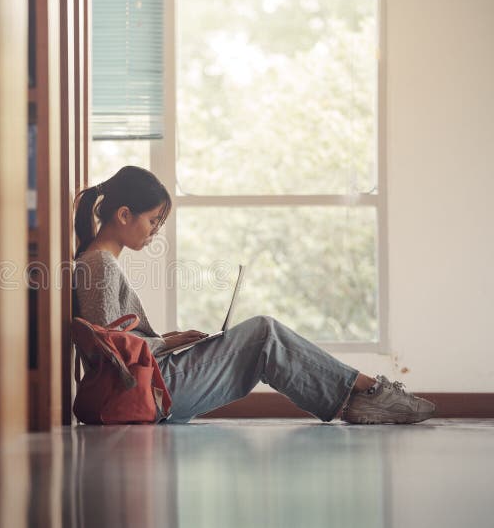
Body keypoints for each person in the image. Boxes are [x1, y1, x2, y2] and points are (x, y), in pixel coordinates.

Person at [72, 165, 435, 425]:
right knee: (263, 333)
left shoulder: (102, 262)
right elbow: (109, 353)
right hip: (150, 388)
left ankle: (362, 398)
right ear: (124, 215)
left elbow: (119, 340)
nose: (154, 233)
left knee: (263, 336)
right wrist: (164, 346)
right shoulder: (100, 264)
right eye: (153, 222)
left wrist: (169, 340)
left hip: (154, 379)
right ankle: (369, 393)